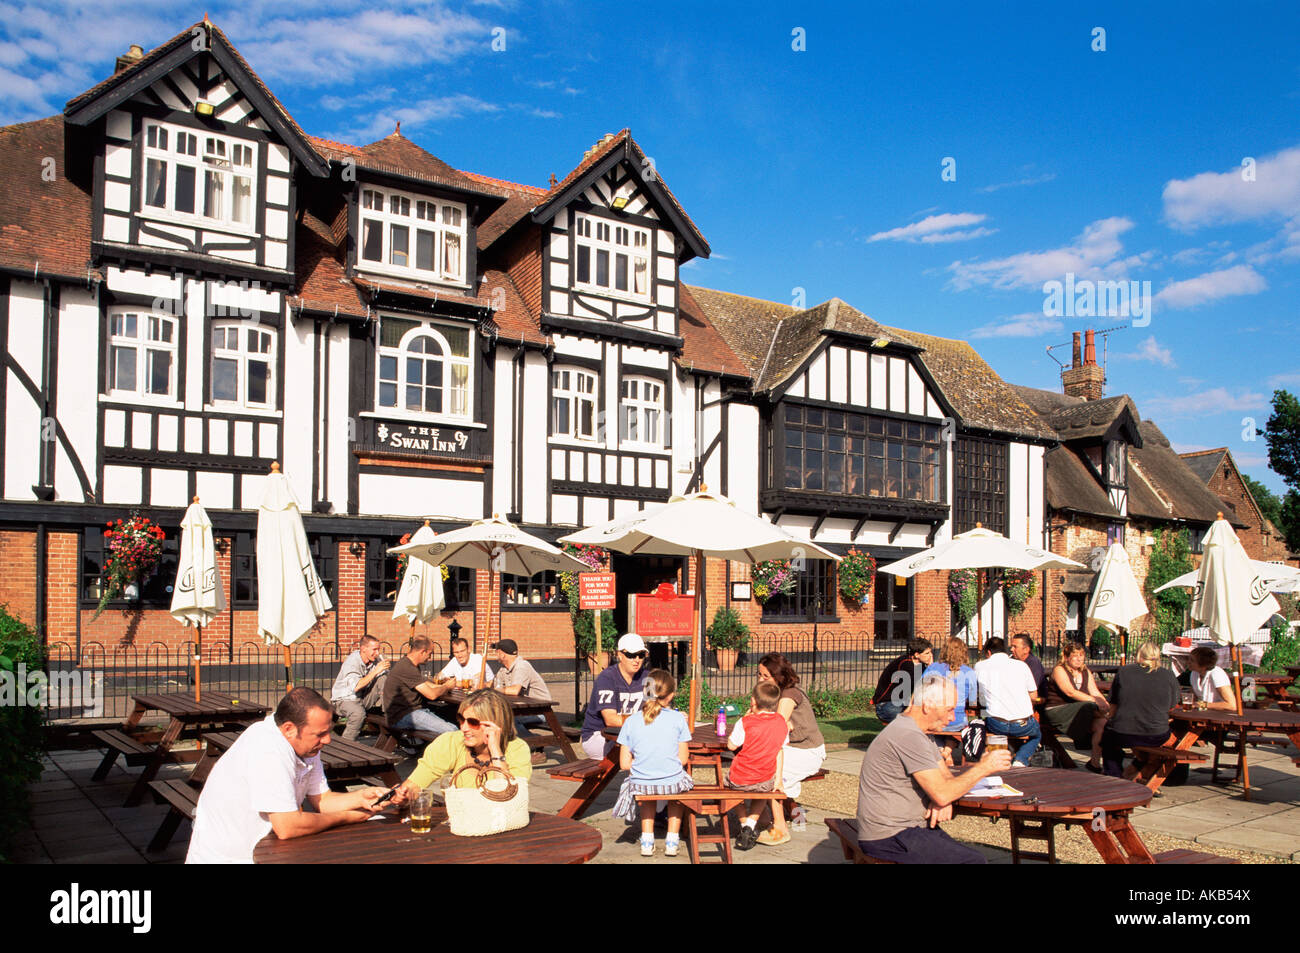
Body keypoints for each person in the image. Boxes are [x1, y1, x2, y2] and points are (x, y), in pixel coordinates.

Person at [186, 688, 385, 863]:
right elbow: (288, 827)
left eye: (328, 732)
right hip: (233, 858)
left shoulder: (306, 745)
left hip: (268, 850)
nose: (327, 740)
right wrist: (346, 817)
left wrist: (362, 797)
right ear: (289, 728)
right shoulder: (267, 749)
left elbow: (321, 799)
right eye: (319, 734)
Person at [855, 674, 1012, 864]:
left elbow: (945, 778)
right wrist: (984, 767)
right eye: (949, 709)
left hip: (903, 829)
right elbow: (943, 792)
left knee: (969, 856)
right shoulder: (908, 736)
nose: (953, 717)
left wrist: (939, 798)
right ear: (928, 705)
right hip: (890, 835)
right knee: (973, 861)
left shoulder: (919, 733)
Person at [612, 669, 693, 857]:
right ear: (672, 695)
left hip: (642, 782)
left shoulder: (631, 721)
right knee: (678, 792)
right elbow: (683, 759)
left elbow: (624, 763)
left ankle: (647, 840)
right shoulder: (678, 719)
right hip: (670, 781)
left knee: (646, 792)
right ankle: (672, 840)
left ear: (645, 692)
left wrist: (643, 766)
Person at [394, 689, 532, 800]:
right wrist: (403, 796)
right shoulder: (452, 741)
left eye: (473, 722)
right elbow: (416, 782)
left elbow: (507, 798)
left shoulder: (517, 749)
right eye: (461, 719)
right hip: (462, 823)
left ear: (495, 724)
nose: (464, 728)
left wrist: (496, 752)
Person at [756, 652, 826, 846]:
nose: (760, 679)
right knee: (759, 764)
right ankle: (775, 819)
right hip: (791, 748)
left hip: (807, 751)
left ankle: (779, 827)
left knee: (770, 771)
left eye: (765, 676)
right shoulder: (772, 693)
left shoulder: (788, 695)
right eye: (759, 675)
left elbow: (776, 726)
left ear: (778, 677)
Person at [1101, 641, 1181, 778]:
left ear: (1138, 655)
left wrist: (1108, 719)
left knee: (1108, 739)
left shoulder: (1124, 671)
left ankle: (1113, 773)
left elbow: (1114, 704)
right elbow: (1172, 706)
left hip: (1124, 731)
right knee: (1163, 742)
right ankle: (1137, 767)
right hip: (1156, 734)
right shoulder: (1168, 675)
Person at [726, 680, 788, 851]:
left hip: (740, 778)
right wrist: (778, 780)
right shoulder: (781, 722)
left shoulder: (746, 722)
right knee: (762, 793)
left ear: (753, 701)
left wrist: (744, 718)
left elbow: (731, 745)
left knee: (731, 791)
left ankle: (744, 822)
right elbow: (780, 751)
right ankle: (751, 825)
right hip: (765, 778)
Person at [580, 633, 649, 760]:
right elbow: (611, 720)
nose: (637, 659)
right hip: (599, 736)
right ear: (619, 655)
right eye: (631, 655)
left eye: (641, 655)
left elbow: (659, 709)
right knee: (647, 749)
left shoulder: (649, 678)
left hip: (630, 734)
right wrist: (646, 720)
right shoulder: (606, 678)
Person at [974, 636, 1041, 767]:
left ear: (988, 652)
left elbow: (977, 694)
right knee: (1037, 734)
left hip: (997, 723)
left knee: (985, 722)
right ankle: (1021, 759)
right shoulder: (1022, 665)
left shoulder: (979, 666)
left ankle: (998, 757)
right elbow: (1034, 695)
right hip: (1023, 724)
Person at [1044, 640, 1111, 771]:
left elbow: (1095, 691)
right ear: (1067, 657)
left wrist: (1105, 704)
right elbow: (1070, 692)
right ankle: (1108, 723)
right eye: (1075, 655)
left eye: (1081, 655)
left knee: (1102, 723)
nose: (1079, 659)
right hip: (1059, 710)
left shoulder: (1086, 671)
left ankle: (1094, 763)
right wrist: (1096, 702)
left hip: (1081, 710)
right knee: (1089, 706)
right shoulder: (1059, 670)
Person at [382, 636, 457, 736]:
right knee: (452, 731)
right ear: (422, 651)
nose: (430, 658)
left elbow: (428, 685)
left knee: (451, 716)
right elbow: (431, 695)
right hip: (403, 716)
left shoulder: (409, 664)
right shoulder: (407, 667)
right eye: (430, 654)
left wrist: (442, 685)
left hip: (408, 711)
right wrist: (446, 687)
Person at [923, 637, 979, 762]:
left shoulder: (933, 668)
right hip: (956, 719)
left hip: (934, 718)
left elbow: (921, 690)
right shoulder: (969, 672)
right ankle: (948, 750)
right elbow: (973, 699)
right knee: (957, 726)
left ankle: (941, 750)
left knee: (932, 729)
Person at [329, 635, 390, 741]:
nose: (377, 653)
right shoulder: (352, 662)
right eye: (374, 649)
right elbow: (356, 687)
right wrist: (376, 671)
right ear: (363, 649)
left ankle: (388, 713)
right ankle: (346, 747)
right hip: (345, 699)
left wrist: (388, 673)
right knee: (358, 714)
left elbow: (385, 681)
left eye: (378, 650)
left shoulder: (374, 661)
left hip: (362, 698)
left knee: (383, 678)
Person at [491, 638, 552, 738]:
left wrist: (495, 690)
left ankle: (534, 742)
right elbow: (494, 685)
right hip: (524, 709)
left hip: (540, 711)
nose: (495, 655)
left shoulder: (521, 666)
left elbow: (515, 690)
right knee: (495, 715)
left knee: (508, 719)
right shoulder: (504, 669)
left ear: (502, 654)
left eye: (497, 652)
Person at [872, 638, 933, 724]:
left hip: (902, 703)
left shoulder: (920, 665)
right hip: (886, 705)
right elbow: (921, 685)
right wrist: (930, 667)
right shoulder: (905, 664)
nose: (930, 656)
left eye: (930, 652)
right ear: (917, 655)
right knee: (915, 720)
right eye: (927, 653)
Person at [1188, 646, 1237, 710]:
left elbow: (1232, 705)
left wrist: (1203, 705)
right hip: (1204, 713)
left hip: (1221, 715)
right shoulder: (1194, 673)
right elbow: (1193, 698)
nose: (1188, 662)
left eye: (1192, 660)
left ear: (1203, 665)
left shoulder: (1217, 674)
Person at [1010, 633, 1046, 702]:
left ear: (1026, 650)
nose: (1011, 649)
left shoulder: (1033, 663)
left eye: (1015, 647)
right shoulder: (1012, 661)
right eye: (1011, 646)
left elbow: (1032, 689)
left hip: (1037, 701)